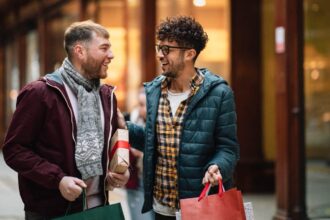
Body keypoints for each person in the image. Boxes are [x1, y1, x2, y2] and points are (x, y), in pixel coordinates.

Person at [2, 20, 129, 219]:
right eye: (104, 48)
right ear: (80, 51)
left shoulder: (107, 95)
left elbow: (110, 145)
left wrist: (120, 172)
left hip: (99, 209)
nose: (111, 55)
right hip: (51, 212)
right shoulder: (40, 93)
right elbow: (14, 150)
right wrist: (58, 180)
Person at [118, 16, 239, 220]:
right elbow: (153, 142)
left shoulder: (219, 93)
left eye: (167, 49)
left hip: (199, 205)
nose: (160, 55)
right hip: (161, 207)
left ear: (189, 54)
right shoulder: (153, 90)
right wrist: (123, 125)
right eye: (159, 48)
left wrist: (218, 166)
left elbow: (228, 148)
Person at [125, 87, 154, 220]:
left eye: (144, 105)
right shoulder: (132, 121)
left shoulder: (159, 125)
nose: (141, 109)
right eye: (140, 104)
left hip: (155, 185)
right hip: (136, 182)